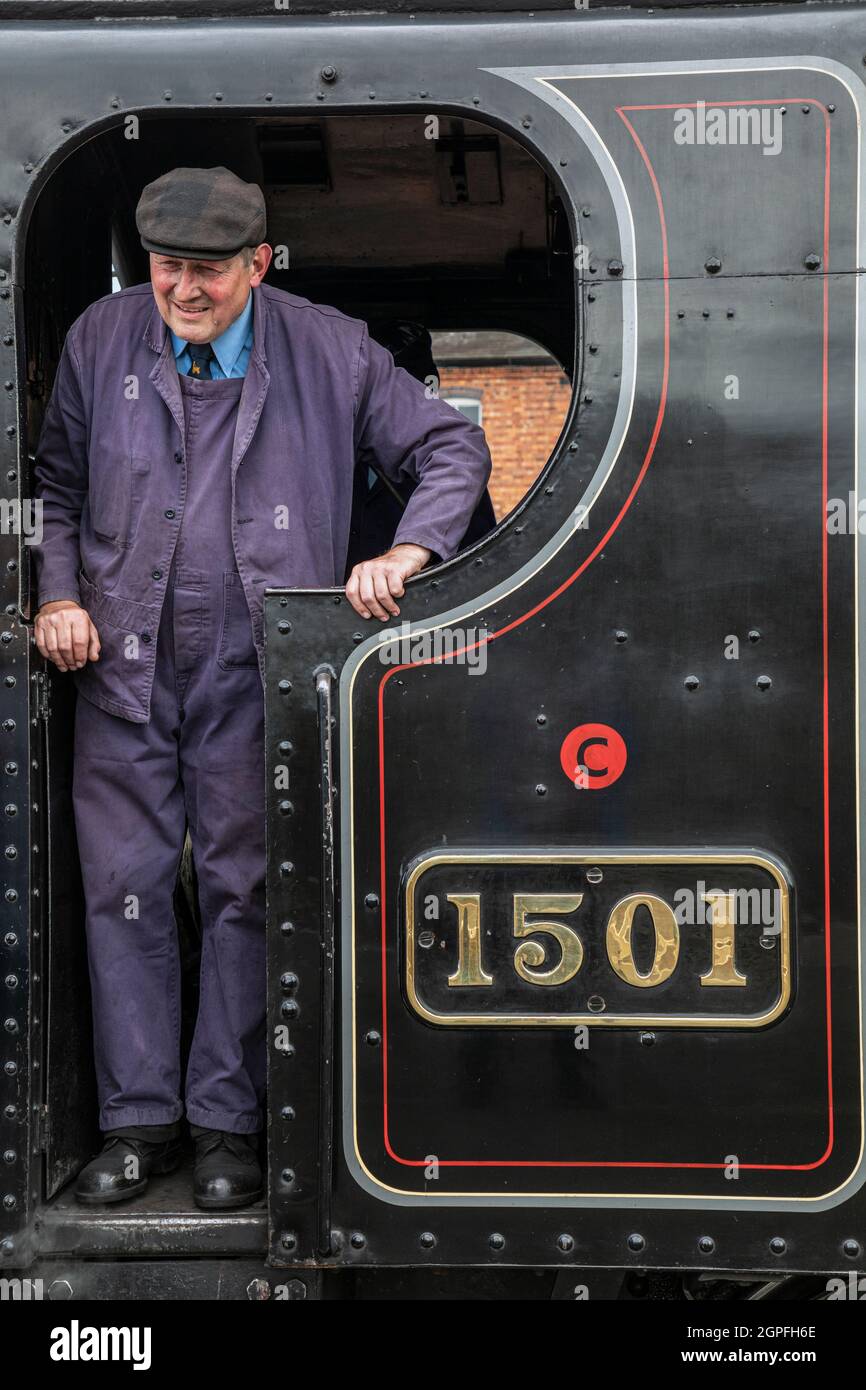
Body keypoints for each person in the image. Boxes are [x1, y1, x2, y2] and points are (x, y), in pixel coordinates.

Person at [32, 165, 492, 1209]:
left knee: (246, 893)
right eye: (165, 269)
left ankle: (228, 1127)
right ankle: (138, 1125)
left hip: (257, 667)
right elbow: (55, 487)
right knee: (124, 891)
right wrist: (58, 595)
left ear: (258, 263)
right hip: (121, 666)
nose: (183, 291)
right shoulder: (101, 342)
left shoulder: (327, 344)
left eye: (206, 271)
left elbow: (449, 443)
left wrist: (409, 551)